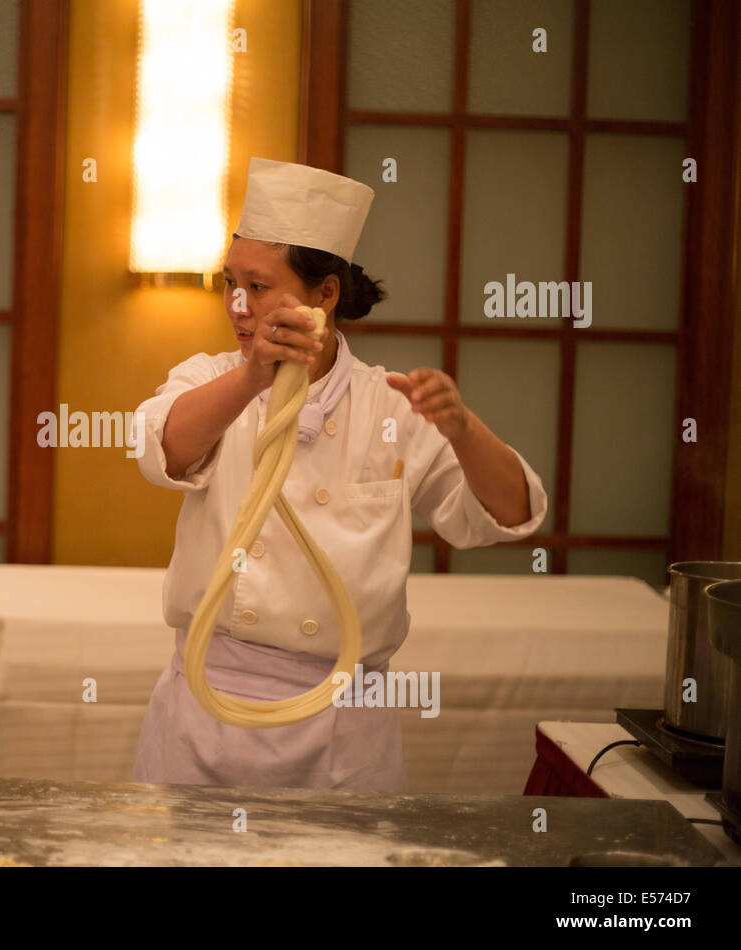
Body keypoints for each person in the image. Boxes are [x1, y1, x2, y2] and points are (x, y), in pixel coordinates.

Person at [131, 158, 548, 790]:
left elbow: (507, 518)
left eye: (260, 286)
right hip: (204, 710)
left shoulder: (389, 406)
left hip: (342, 725)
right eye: (230, 283)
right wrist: (251, 378)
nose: (238, 306)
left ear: (325, 295)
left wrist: (463, 429)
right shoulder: (209, 378)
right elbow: (160, 447)